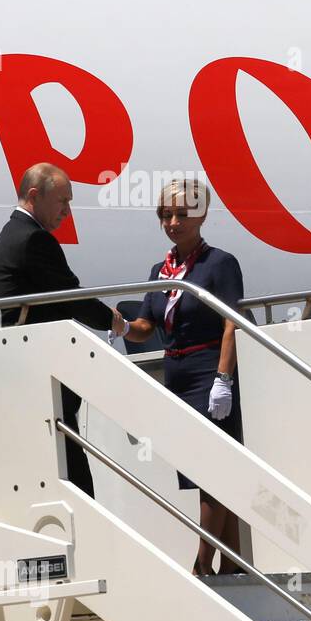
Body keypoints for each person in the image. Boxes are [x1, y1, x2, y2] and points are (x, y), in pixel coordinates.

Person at [117, 179, 247, 575]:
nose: (173, 222)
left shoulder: (220, 264)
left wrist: (223, 379)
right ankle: (232, 565)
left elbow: (232, 324)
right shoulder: (162, 270)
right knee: (203, 472)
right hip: (177, 373)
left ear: (201, 215)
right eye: (165, 215)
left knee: (215, 472)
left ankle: (201, 564)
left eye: (180, 214)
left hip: (210, 370)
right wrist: (121, 327)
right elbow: (146, 325)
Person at [0, 162, 126, 497]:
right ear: (34, 195)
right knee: (77, 484)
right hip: (40, 380)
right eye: (63, 201)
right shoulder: (34, 240)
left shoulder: (9, 234)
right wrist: (115, 323)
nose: (68, 212)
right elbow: (71, 296)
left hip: (18, 373)